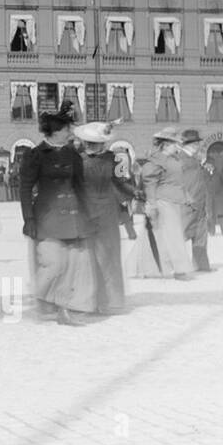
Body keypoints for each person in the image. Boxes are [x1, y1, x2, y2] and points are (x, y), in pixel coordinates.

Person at [20, 102, 97, 325]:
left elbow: (80, 185)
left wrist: (88, 214)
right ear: (54, 132)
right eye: (66, 129)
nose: (70, 132)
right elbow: (25, 189)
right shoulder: (35, 155)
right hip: (47, 215)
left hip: (72, 216)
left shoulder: (72, 155)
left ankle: (64, 309)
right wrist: (29, 219)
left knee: (72, 265)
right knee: (54, 264)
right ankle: (40, 297)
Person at [74, 121, 133, 313]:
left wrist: (135, 194)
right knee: (87, 256)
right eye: (88, 142)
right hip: (84, 210)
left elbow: (122, 182)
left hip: (107, 211)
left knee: (109, 254)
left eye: (95, 143)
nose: (90, 146)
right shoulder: (77, 160)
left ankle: (111, 301)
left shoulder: (115, 159)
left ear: (103, 143)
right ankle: (89, 300)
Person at [136, 127, 192, 278]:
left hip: (174, 202)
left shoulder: (174, 160)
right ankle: (178, 270)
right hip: (163, 202)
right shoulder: (156, 160)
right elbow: (150, 183)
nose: (177, 146)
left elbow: (178, 181)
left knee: (167, 236)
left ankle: (155, 268)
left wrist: (186, 196)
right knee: (170, 236)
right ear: (165, 144)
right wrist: (152, 204)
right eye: (175, 144)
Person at [176, 130, 212, 272]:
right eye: (196, 143)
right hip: (187, 205)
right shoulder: (179, 159)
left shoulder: (197, 159)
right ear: (188, 144)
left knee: (200, 237)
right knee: (180, 235)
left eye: (198, 142)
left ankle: (201, 266)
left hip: (200, 204)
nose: (198, 145)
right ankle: (171, 265)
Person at [206, 160, 223, 236]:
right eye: (207, 164)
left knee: (221, 214)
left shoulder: (219, 173)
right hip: (209, 198)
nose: (208, 166)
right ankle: (211, 231)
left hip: (219, 197)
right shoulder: (204, 173)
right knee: (210, 215)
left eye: (209, 164)